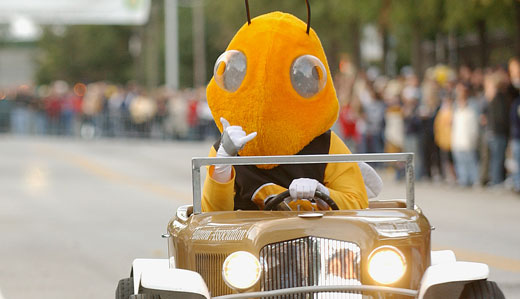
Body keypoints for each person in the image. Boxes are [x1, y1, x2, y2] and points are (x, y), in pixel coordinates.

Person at [201, 12, 371, 212]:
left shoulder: (326, 147)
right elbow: (213, 217)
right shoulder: (227, 149)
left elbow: (358, 204)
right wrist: (222, 168)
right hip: (249, 242)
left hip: (316, 240)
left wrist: (322, 193)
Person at [451, 83, 479, 187]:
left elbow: (475, 122)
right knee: (460, 161)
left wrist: (474, 136)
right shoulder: (455, 105)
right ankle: (463, 180)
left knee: (471, 160)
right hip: (458, 137)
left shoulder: (472, 105)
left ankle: (474, 179)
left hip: (468, 137)